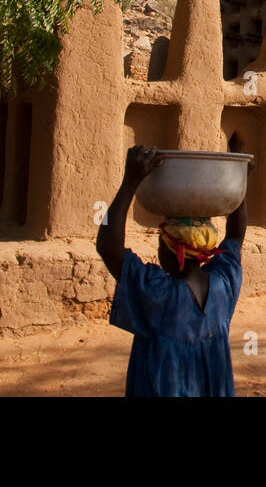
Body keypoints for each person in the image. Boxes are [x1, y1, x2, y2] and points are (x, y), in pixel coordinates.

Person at [96, 145, 247, 397]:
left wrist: (129, 183)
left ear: (169, 250)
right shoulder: (224, 286)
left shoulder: (157, 295)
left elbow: (107, 246)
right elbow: (235, 235)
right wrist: (238, 177)